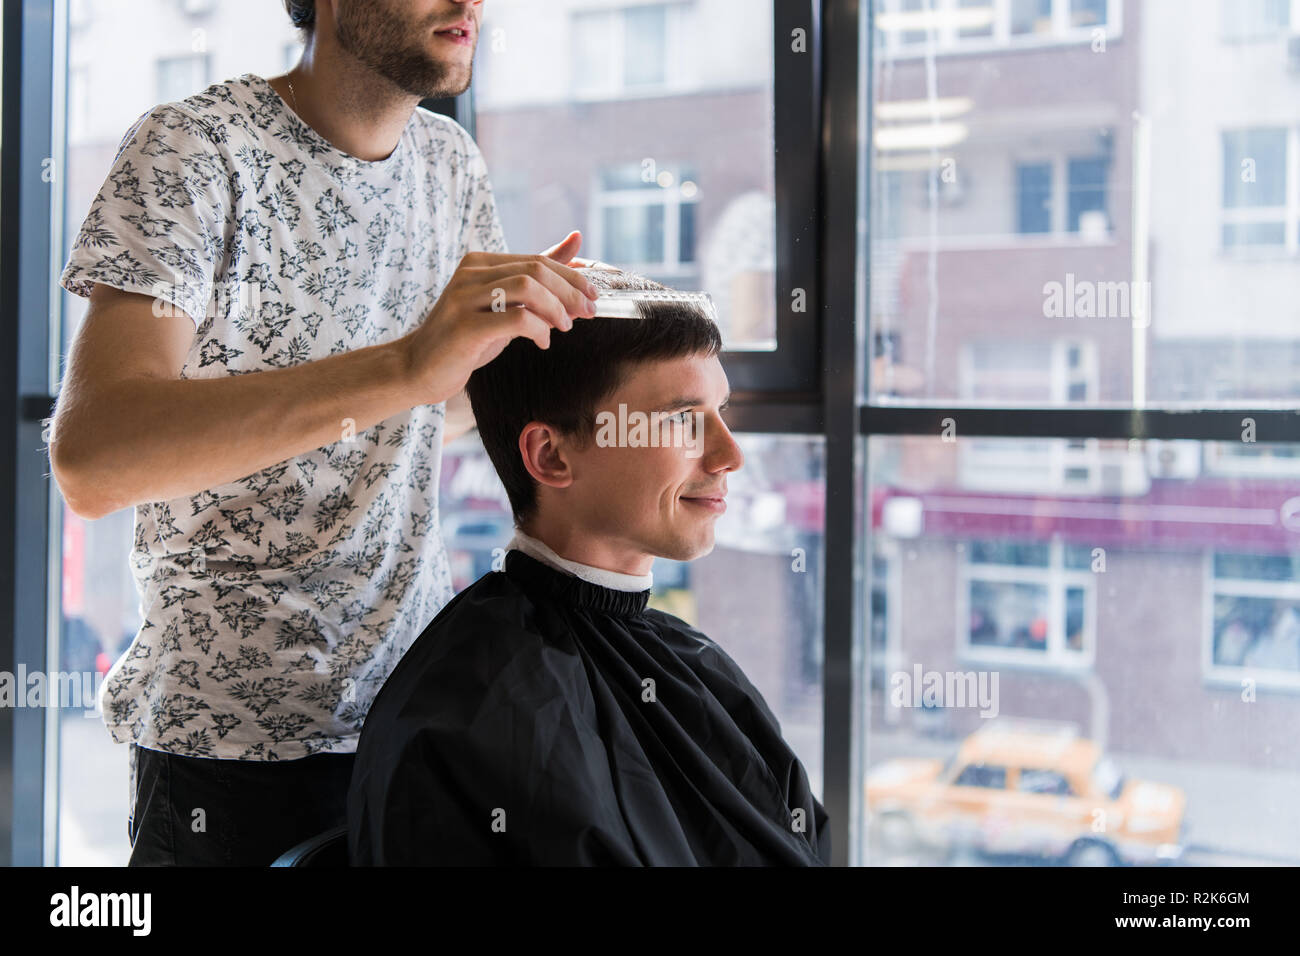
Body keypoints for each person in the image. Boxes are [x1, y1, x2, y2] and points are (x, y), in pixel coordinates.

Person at [49, 0, 603, 866]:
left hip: (411, 721)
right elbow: (94, 458)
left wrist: (582, 373)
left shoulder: (450, 161)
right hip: (225, 751)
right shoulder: (196, 147)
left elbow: (437, 403)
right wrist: (406, 365)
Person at [347, 269, 831, 865]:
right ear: (551, 456)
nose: (730, 455)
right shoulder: (473, 711)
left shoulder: (693, 664)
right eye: (681, 419)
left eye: (721, 411)